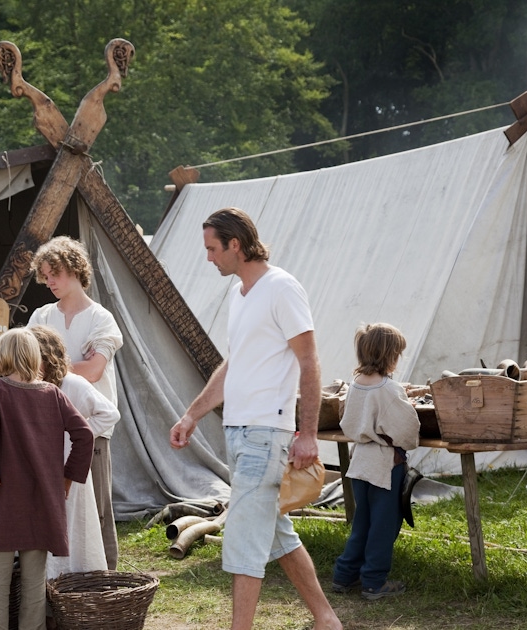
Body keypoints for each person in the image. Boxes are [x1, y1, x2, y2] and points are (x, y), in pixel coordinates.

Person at [169, 207, 342, 630]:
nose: (208, 257)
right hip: (240, 432)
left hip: (267, 432)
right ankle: (327, 618)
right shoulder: (239, 294)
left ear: (236, 244)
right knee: (277, 534)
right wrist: (192, 414)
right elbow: (234, 365)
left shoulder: (281, 288)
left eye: (213, 249)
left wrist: (307, 434)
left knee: (243, 538)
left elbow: (309, 361)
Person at [0, 327, 94, 630]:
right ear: (34, 357)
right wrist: (67, 478)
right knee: (34, 584)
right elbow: (85, 435)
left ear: (4, 356)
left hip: (2, 500)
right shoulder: (53, 394)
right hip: (41, 503)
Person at [28, 235, 123, 570]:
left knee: (96, 505)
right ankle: (63, 584)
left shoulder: (101, 318)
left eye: (55, 272)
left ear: (74, 269)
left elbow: (94, 370)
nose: (49, 280)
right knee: (52, 506)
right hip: (46, 427)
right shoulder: (41, 316)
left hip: (89, 426)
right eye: (45, 274)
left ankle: (107, 584)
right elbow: (27, 369)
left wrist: (51, 368)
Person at [332, 323, 420, 600]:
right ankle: (373, 582)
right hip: (384, 465)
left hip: (359, 463)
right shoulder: (389, 389)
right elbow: (407, 430)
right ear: (389, 355)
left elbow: (349, 420)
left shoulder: (356, 386)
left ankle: (344, 576)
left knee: (363, 522)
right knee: (383, 525)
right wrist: (407, 407)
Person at [29, 324, 118, 581]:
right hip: (44, 469)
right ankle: (50, 586)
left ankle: (78, 586)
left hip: (70, 466)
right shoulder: (31, 386)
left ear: (46, 357)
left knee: (73, 527)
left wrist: (78, 434)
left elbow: (110, 413)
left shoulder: (72, 384)